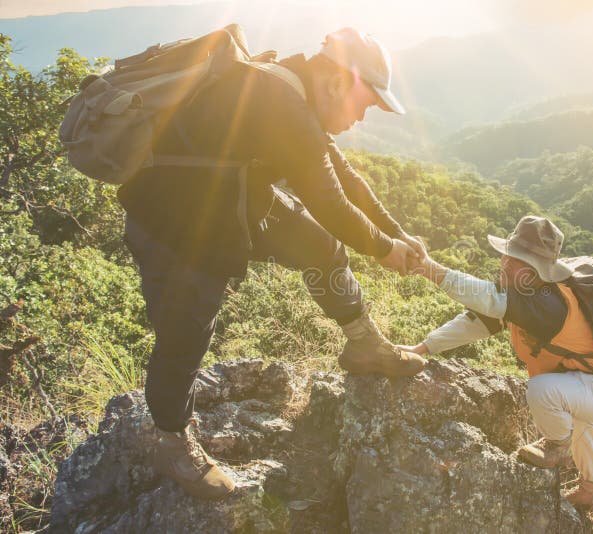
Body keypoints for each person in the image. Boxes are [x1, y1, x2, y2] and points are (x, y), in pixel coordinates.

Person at [118, 27, 427, 500]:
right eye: (365, 104)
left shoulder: (291, 90)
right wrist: (386, 251)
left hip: (232, 199)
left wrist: (397, 232)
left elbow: (344, 176)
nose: (362, 117)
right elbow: (331, 203)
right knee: (187, 330)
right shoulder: (279, 99)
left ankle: (365, 345)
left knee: (320, 246)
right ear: (338, 81)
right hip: (173, 221)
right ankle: (171, 441)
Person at [403, 215, 593, 512]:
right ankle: (591, 491)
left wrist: (429, 269)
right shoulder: (527, 296)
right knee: (579, 413)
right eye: (506, 256)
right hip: (587, 384)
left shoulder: (548, 305)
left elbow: (485, 298)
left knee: (542, 391)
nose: (504, 264)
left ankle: (557, 446)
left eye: (515, 259)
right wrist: (423, 348)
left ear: (536, 271)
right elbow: (476, 322)